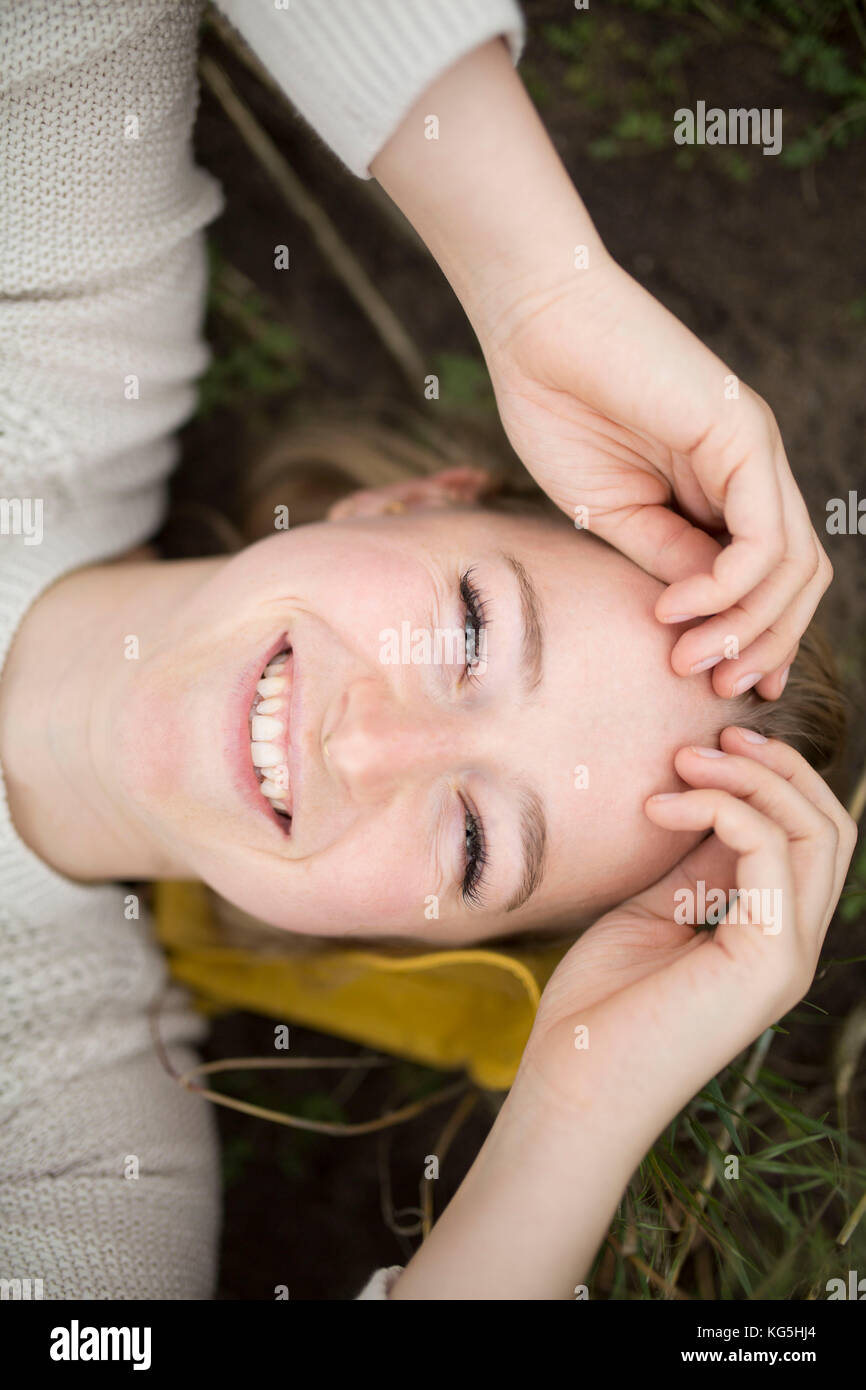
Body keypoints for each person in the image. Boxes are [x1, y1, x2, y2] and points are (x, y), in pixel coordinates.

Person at [0, 0, 851, 1300]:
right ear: (406, 502)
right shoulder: (64, 309)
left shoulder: (66, 1156)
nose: (370, 741)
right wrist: (542, 287)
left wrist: (574, 1107)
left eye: (471, 843)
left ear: (409, 942)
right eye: (465, 630)